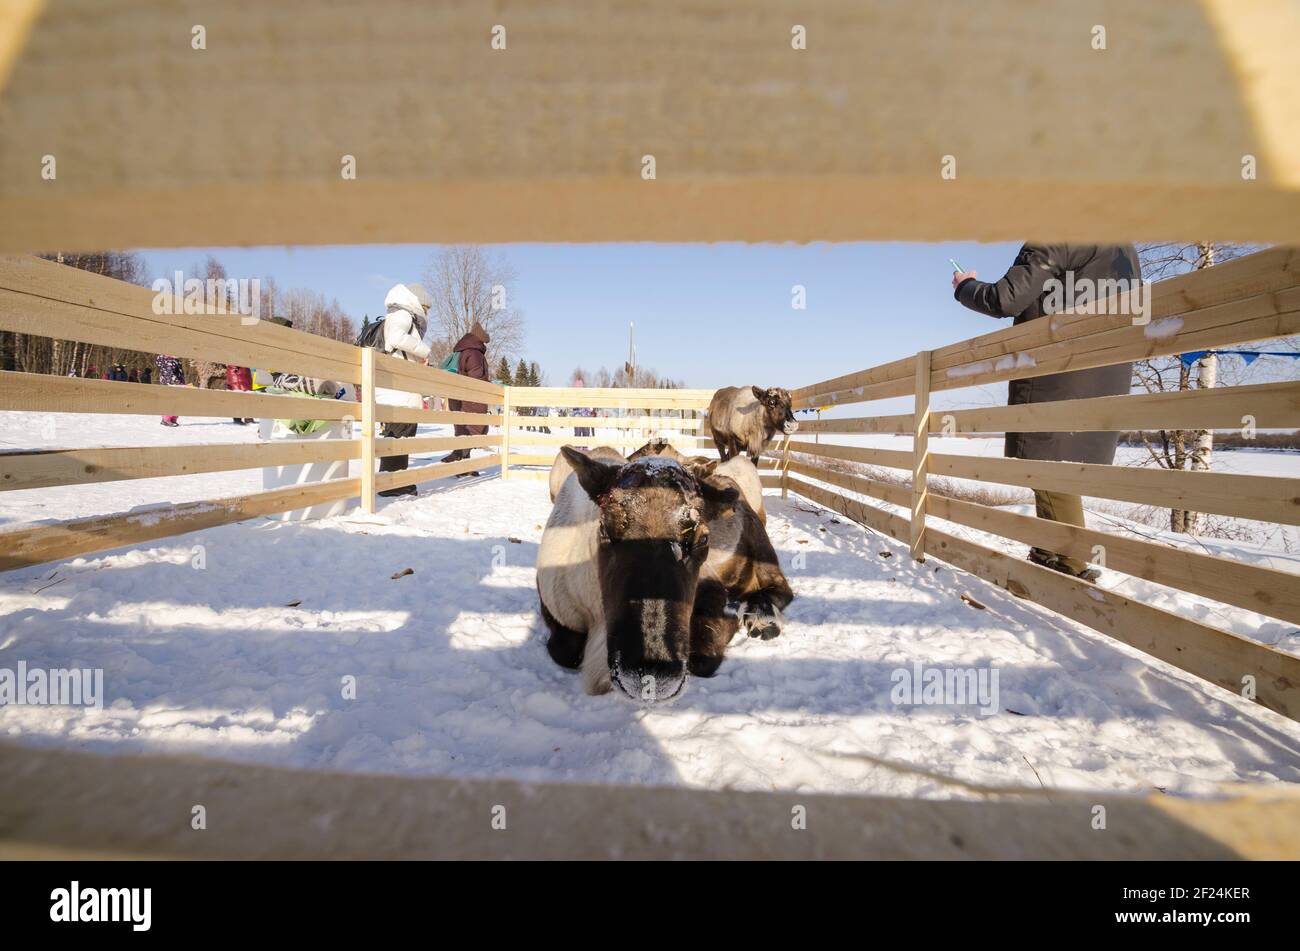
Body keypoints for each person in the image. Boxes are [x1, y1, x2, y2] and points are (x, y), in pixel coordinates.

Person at [952, 244, 1139, 582]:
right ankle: (1047, 551)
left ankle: (1071, 563)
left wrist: (965, 287)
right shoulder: (1122, 246)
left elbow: (1005, 299)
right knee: (1054, 467)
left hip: (1058, 369)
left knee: (1049, 466)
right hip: (1104, 369)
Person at [373, 283, 432, 497]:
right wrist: (425, 351)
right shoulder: (403, 315)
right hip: (399, 389)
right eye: (426, 307)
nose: (426, 312)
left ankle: (391, 480)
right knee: (401, 434)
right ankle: (393, 483)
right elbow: (395, 339)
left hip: (395, 387)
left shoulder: (397, 314)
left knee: (396, 434)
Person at [438, 321, 491, 477]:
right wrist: (488, 384)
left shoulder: (462, 350)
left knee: (463, 428)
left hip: (459, 396)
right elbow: (476, 377)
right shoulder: (474, 353)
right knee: (470, 429)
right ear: (479, 340)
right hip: (471, 397)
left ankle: (461, 460)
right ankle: (461, 462)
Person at [155, 353, 184, 427]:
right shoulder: (169, 361)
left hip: (175, 383)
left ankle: (173, 418)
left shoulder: (175, 360)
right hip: (170, 383)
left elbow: (179, 373)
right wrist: (176, 382)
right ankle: (166, 419)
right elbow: (169, 374)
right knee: (170, 401)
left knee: (176, 401)